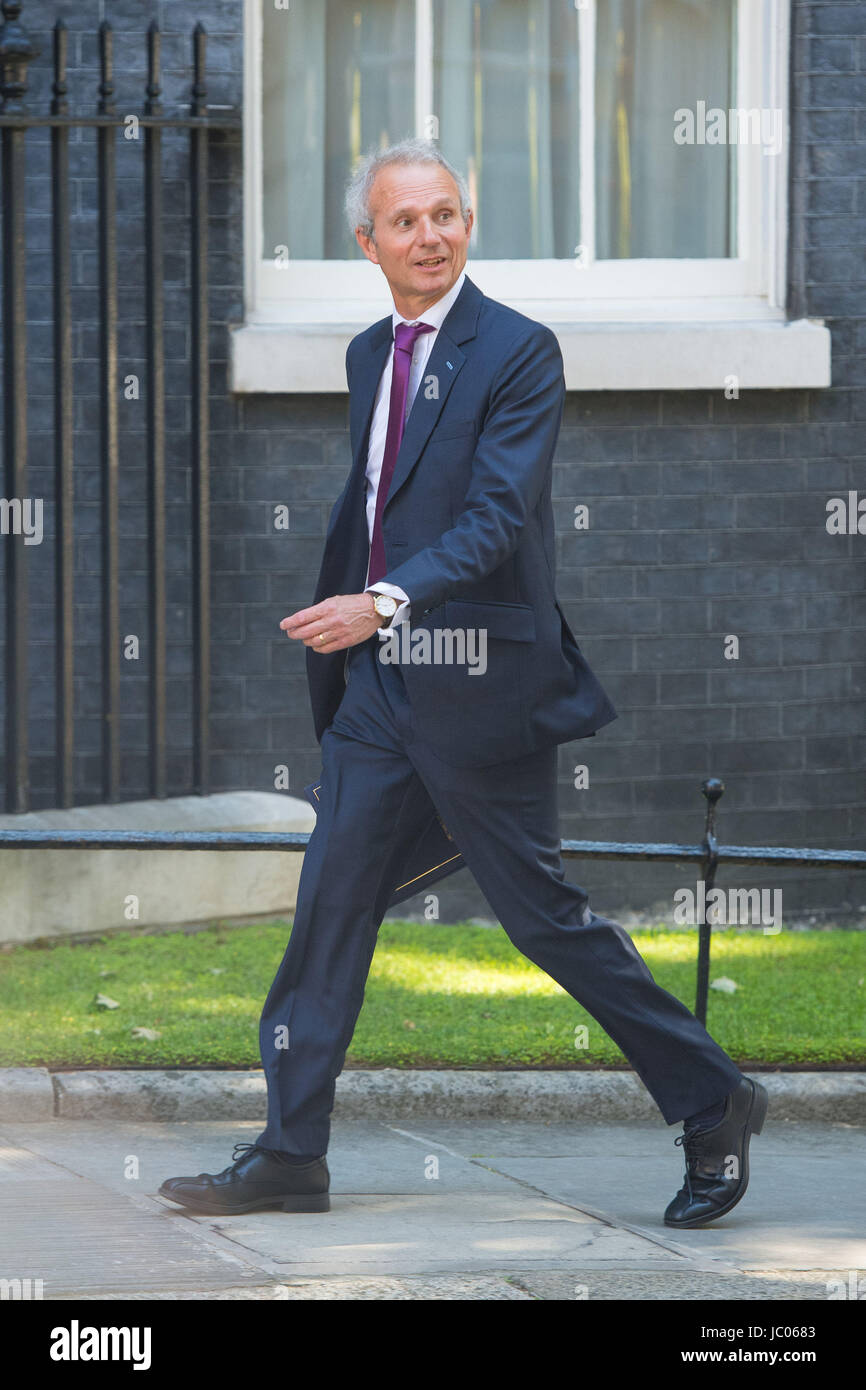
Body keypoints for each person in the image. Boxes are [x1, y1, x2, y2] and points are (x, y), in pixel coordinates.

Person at [160, 138, 767, 1229]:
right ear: (368, 241)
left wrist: (380, 599)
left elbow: (494, 519)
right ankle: (291, 1150)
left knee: (543, 920)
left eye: (446, 214)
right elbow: (379, 500)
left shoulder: (519, 351)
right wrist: (354, 623)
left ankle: (711, 1096)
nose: (430, 235)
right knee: (327, 907)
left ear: (466, 223)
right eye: (406, 221)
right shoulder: (364, 354)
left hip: (480, 685)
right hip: (377, 695)